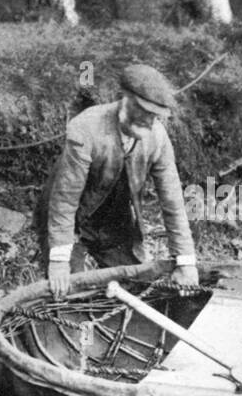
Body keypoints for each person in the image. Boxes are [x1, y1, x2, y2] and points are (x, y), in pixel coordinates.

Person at [34, 64, 199, 299]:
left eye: (154, 116)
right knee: (66, 291)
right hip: (70, 219)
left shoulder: (158, 138)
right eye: (143, 112)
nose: (149, 122)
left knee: (137, 285)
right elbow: (65, 199)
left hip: (113, 221)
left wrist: (186, 262)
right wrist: (59, 260)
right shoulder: (85, 128)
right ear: (124, 99)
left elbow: (173, 203)